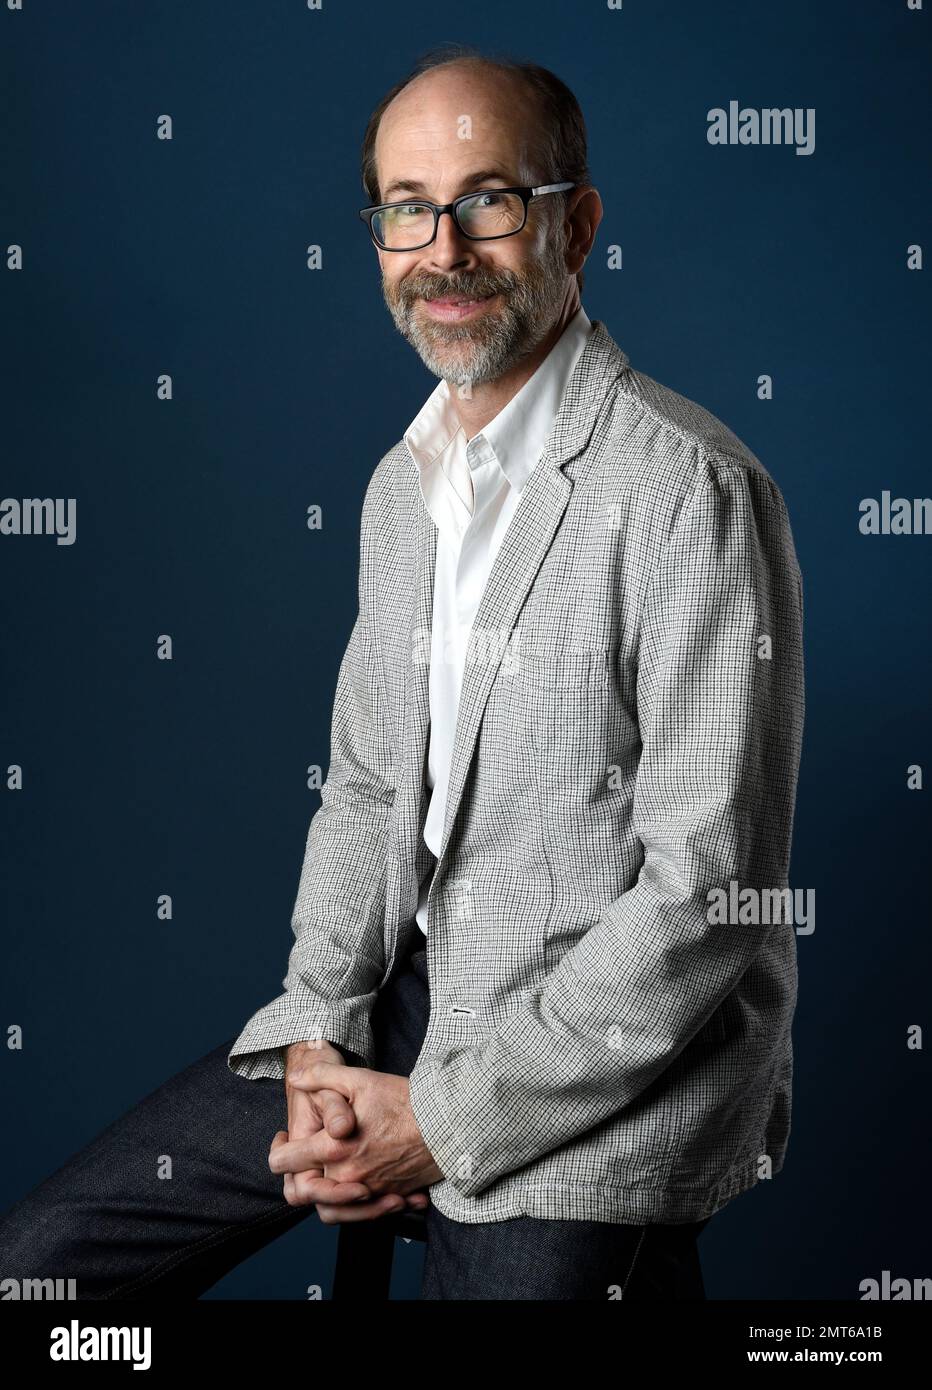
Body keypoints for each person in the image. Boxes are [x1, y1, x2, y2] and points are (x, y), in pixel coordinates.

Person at [0, 44, 804, 1301]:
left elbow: (706, 896)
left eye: (490, 199)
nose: (444, 249)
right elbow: (370, 789)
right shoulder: (399, 488)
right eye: (406, 209)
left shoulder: (682, 487)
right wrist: (320, 1038)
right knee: (40, 1277)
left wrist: (441, 1117)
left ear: (576, 224)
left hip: (587, 1062)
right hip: (402, 1002)